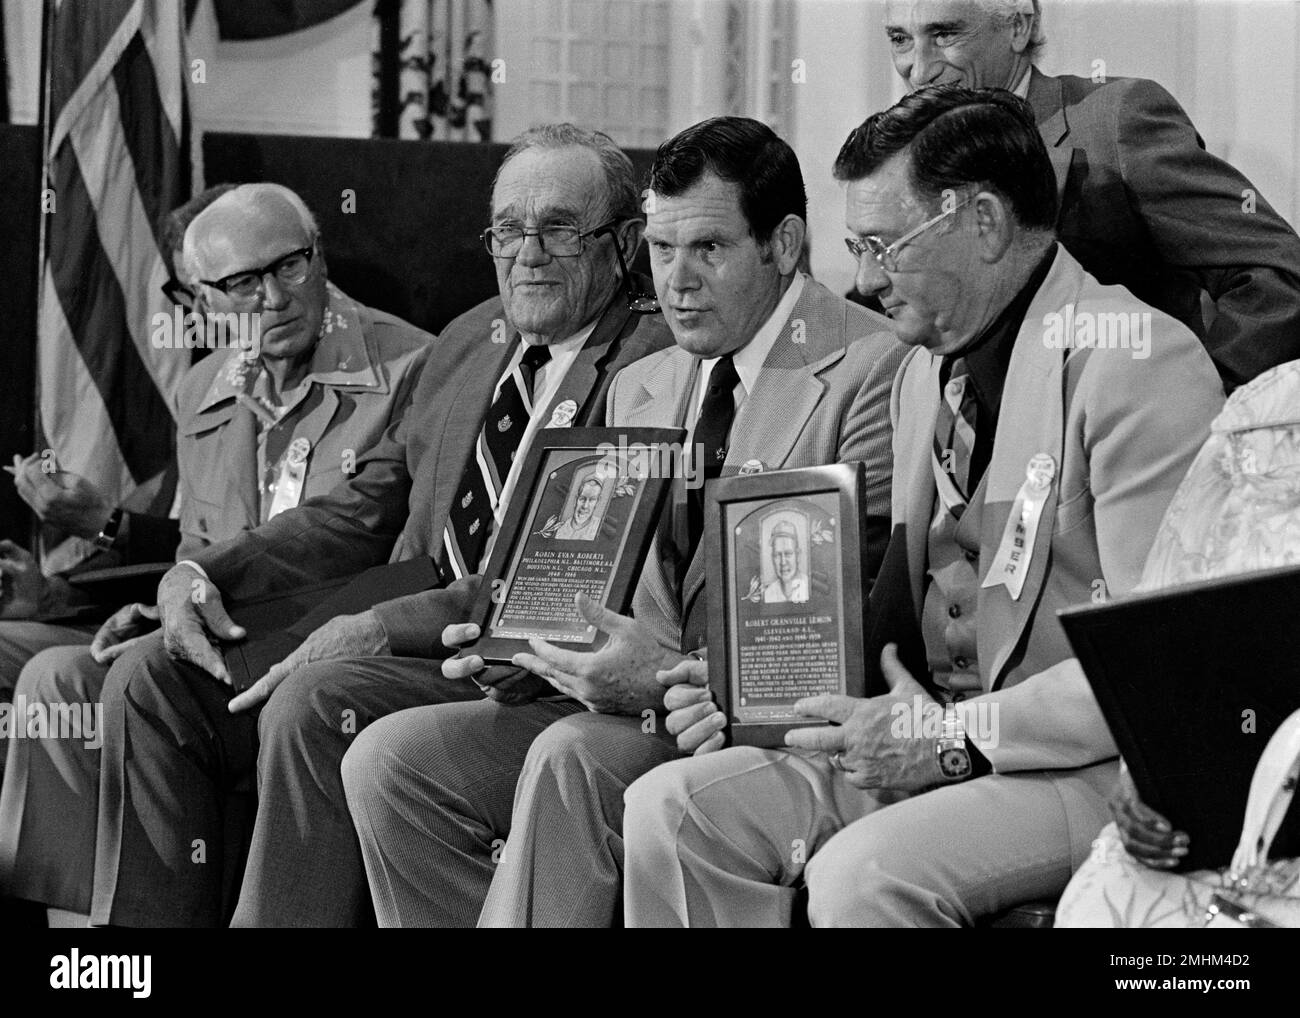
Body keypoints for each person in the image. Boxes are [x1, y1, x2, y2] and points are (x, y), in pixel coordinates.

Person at [619, 86, 1226, 927]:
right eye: (855, 246)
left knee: (864, 874)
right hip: (929, 734)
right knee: (676, 809)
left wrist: (949, 736)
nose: (863, 280)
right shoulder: (917, 373)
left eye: (882, 245)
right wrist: (747, 686)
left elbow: (1151, 673)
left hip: (1079, 768)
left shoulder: (1136, 362)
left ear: (980, 223)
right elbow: (897, 616)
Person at [89, 125, 674, 927]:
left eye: (560, 227)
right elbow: (362, 510)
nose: (527, 253)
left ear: (626, 242)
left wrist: (377, 626)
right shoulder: (472, 340)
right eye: (507, 229)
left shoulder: (656, 364)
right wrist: (205, 574)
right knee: (151, 677)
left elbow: (557, 583)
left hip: (504, 652)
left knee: (316, 700)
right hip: (403, 598)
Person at [340, 115, 906, 927]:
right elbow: (594, 572)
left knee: (570, 756)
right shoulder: (645, 377)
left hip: (747, 719)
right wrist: (530, 647)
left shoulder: (871, 368)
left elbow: (845, 625)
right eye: (663, 251)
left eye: (708, 249)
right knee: (389, 760)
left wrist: (663, 671)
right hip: (621, 701)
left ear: (783, 245)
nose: (676, 281)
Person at [0, 182, 433, 922]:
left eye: (289, 267)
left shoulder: (410, 369)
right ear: (201, 302)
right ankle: (87, 939)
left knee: (139, 680)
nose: (272, 298)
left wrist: (192, 580)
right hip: (222, 628)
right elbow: (197, 543)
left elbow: (364, 536)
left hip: (321, 636)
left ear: (320, 256)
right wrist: (161, 602)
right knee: (56, 678)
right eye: (240, 284)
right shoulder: (203, 386)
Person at [873, 0, 1300, 388]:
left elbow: (1278, 276)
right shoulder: (908, 156)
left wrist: (1199, 404)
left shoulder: (1116, 119)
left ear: (1018, 26)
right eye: (899, 40)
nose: (919, 68)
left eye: (945, 35)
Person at [0, 184, 237, 690]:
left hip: (211, 628)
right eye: (185, 293)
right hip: (125, 612)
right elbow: (171, 534)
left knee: (50, 675)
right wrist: (52, 593)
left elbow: (235, 548)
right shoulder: (205, 386)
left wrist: (106, 523)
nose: (193, 313)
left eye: (205, 291)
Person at [762, 521, 807, 603]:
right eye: (777, 555)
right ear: (772, 559)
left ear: (798, 556)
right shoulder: (768, 594)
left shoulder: (809, 588)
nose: (783, 562)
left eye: (788, 554)